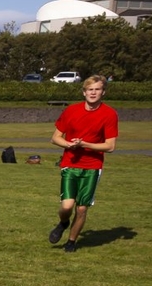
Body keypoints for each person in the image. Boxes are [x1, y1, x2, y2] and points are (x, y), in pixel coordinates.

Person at [48, 75, 118, 253]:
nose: (93, 93)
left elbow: (110, 146)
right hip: (70, 164)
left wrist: (85, 144)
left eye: (97, 89)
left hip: (92, 167)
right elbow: (55, 138)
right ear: (84, 92)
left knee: (81, 208)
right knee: (67, 206)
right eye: (90, 89)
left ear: (103, 92)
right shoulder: (71, 111)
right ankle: (63, 223)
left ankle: (71, 242)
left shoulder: (109, 114)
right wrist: (69, 144)